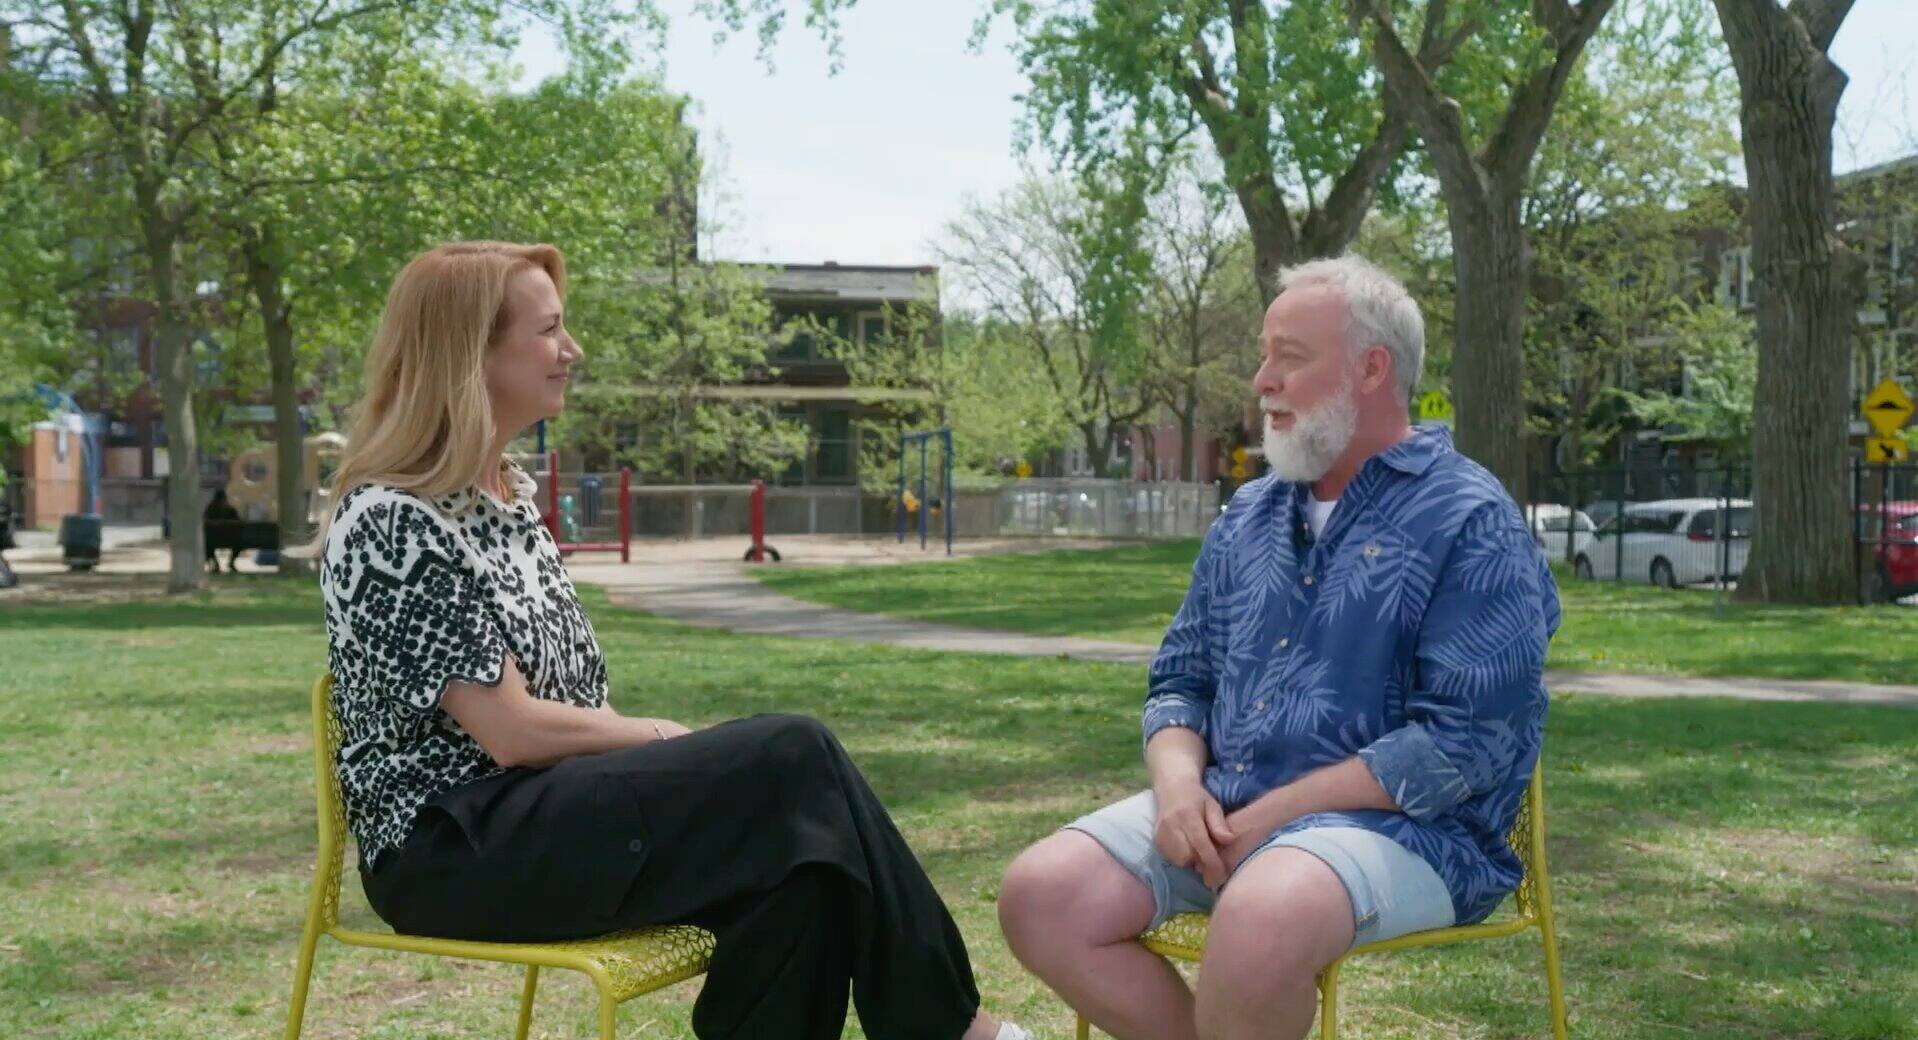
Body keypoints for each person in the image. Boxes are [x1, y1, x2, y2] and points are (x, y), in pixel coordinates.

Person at [316, 241, 1029, 1040]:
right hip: (451, 848)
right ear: (469, 356)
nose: (572, 349)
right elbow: (512, 732)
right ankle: (956, 1030)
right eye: (549, 330)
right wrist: (667, 739)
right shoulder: (390, 520)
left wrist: (681, 766)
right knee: (792, 754)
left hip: (544, 813)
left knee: (809, 871)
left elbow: (575, 704)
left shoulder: (507, 504)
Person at [996, 256, 1560, 1040]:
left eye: (1289, 357)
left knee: (1261, 918)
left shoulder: (1470, 519)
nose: (1262, 381)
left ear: (1371, 369)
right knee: (1042, 895)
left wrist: (1273, 818)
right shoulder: (1249, 516)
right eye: (1264, 356)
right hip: (1229, 808)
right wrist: (1179, 788)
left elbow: (1464, 744)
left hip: (1419, 835)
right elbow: (1180, 682)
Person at [202, 487, 243, 572]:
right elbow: (239, 523)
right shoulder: (231, 510)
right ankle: (231, 562)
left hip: (213, 541)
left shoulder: (210, 510)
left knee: (206, 543)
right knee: (240, 542)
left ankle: (215, 563)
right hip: (231, 540)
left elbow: (204, 523)